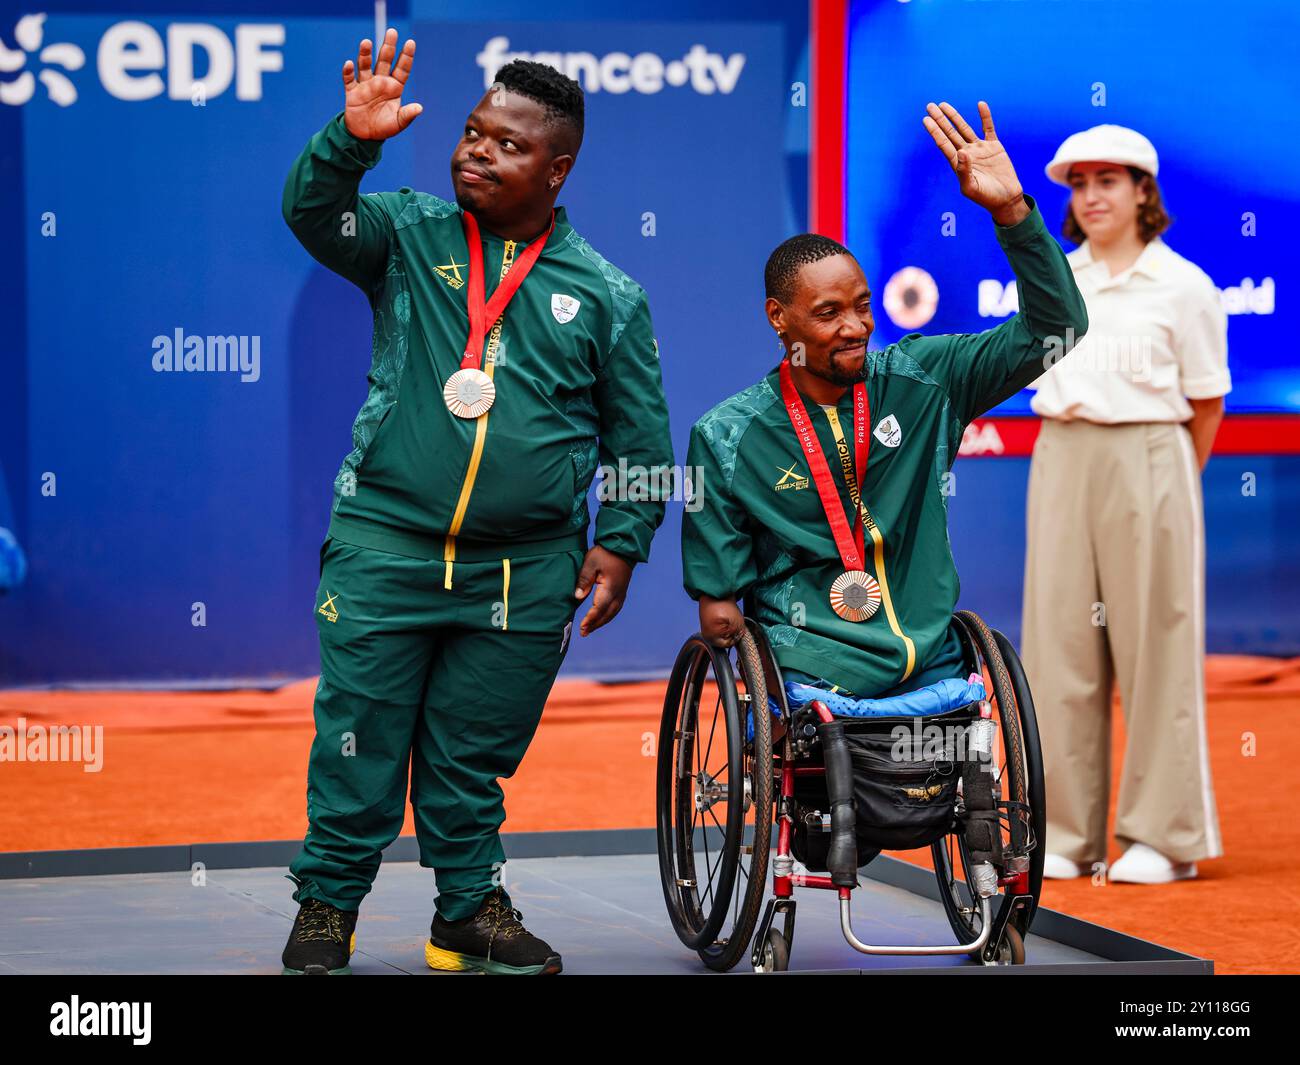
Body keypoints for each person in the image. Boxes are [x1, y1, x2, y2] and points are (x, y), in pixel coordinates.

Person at [279, 30, 673, 974]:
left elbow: (645, 445)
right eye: (471, 131)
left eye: (507, 144)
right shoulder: (407, 236)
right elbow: (311, 212)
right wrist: (351, 139)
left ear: (557, 167)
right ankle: (329, 904)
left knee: (470, 757)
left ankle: (466, 913)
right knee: (357, 738)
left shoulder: (608, 294)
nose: (476, 151)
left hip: (522, 570)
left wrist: (620, 543)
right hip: (385, 545)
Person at [682, 101, 1087, 708]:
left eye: (862, 306)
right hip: (815, 671)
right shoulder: (727, 434)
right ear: (778, 318)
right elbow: (718, 615)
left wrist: (1011, 214)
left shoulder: (925, 379)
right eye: (827, 314)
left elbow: (1058, 326)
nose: (854, 327)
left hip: (935, 661)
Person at [1024, 124, 1229, 884]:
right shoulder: (1055, 275)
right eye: (1079, 184)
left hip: (1151, 455)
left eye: (1107, 181)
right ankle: (1065, 834)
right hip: (1062, 454)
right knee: (1058, 648)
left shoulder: (1186, 286)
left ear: (1143, 190)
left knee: (1157, 645)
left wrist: (1166, 484)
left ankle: (1164, 837)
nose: (1090, 196)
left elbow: (1205, 402)